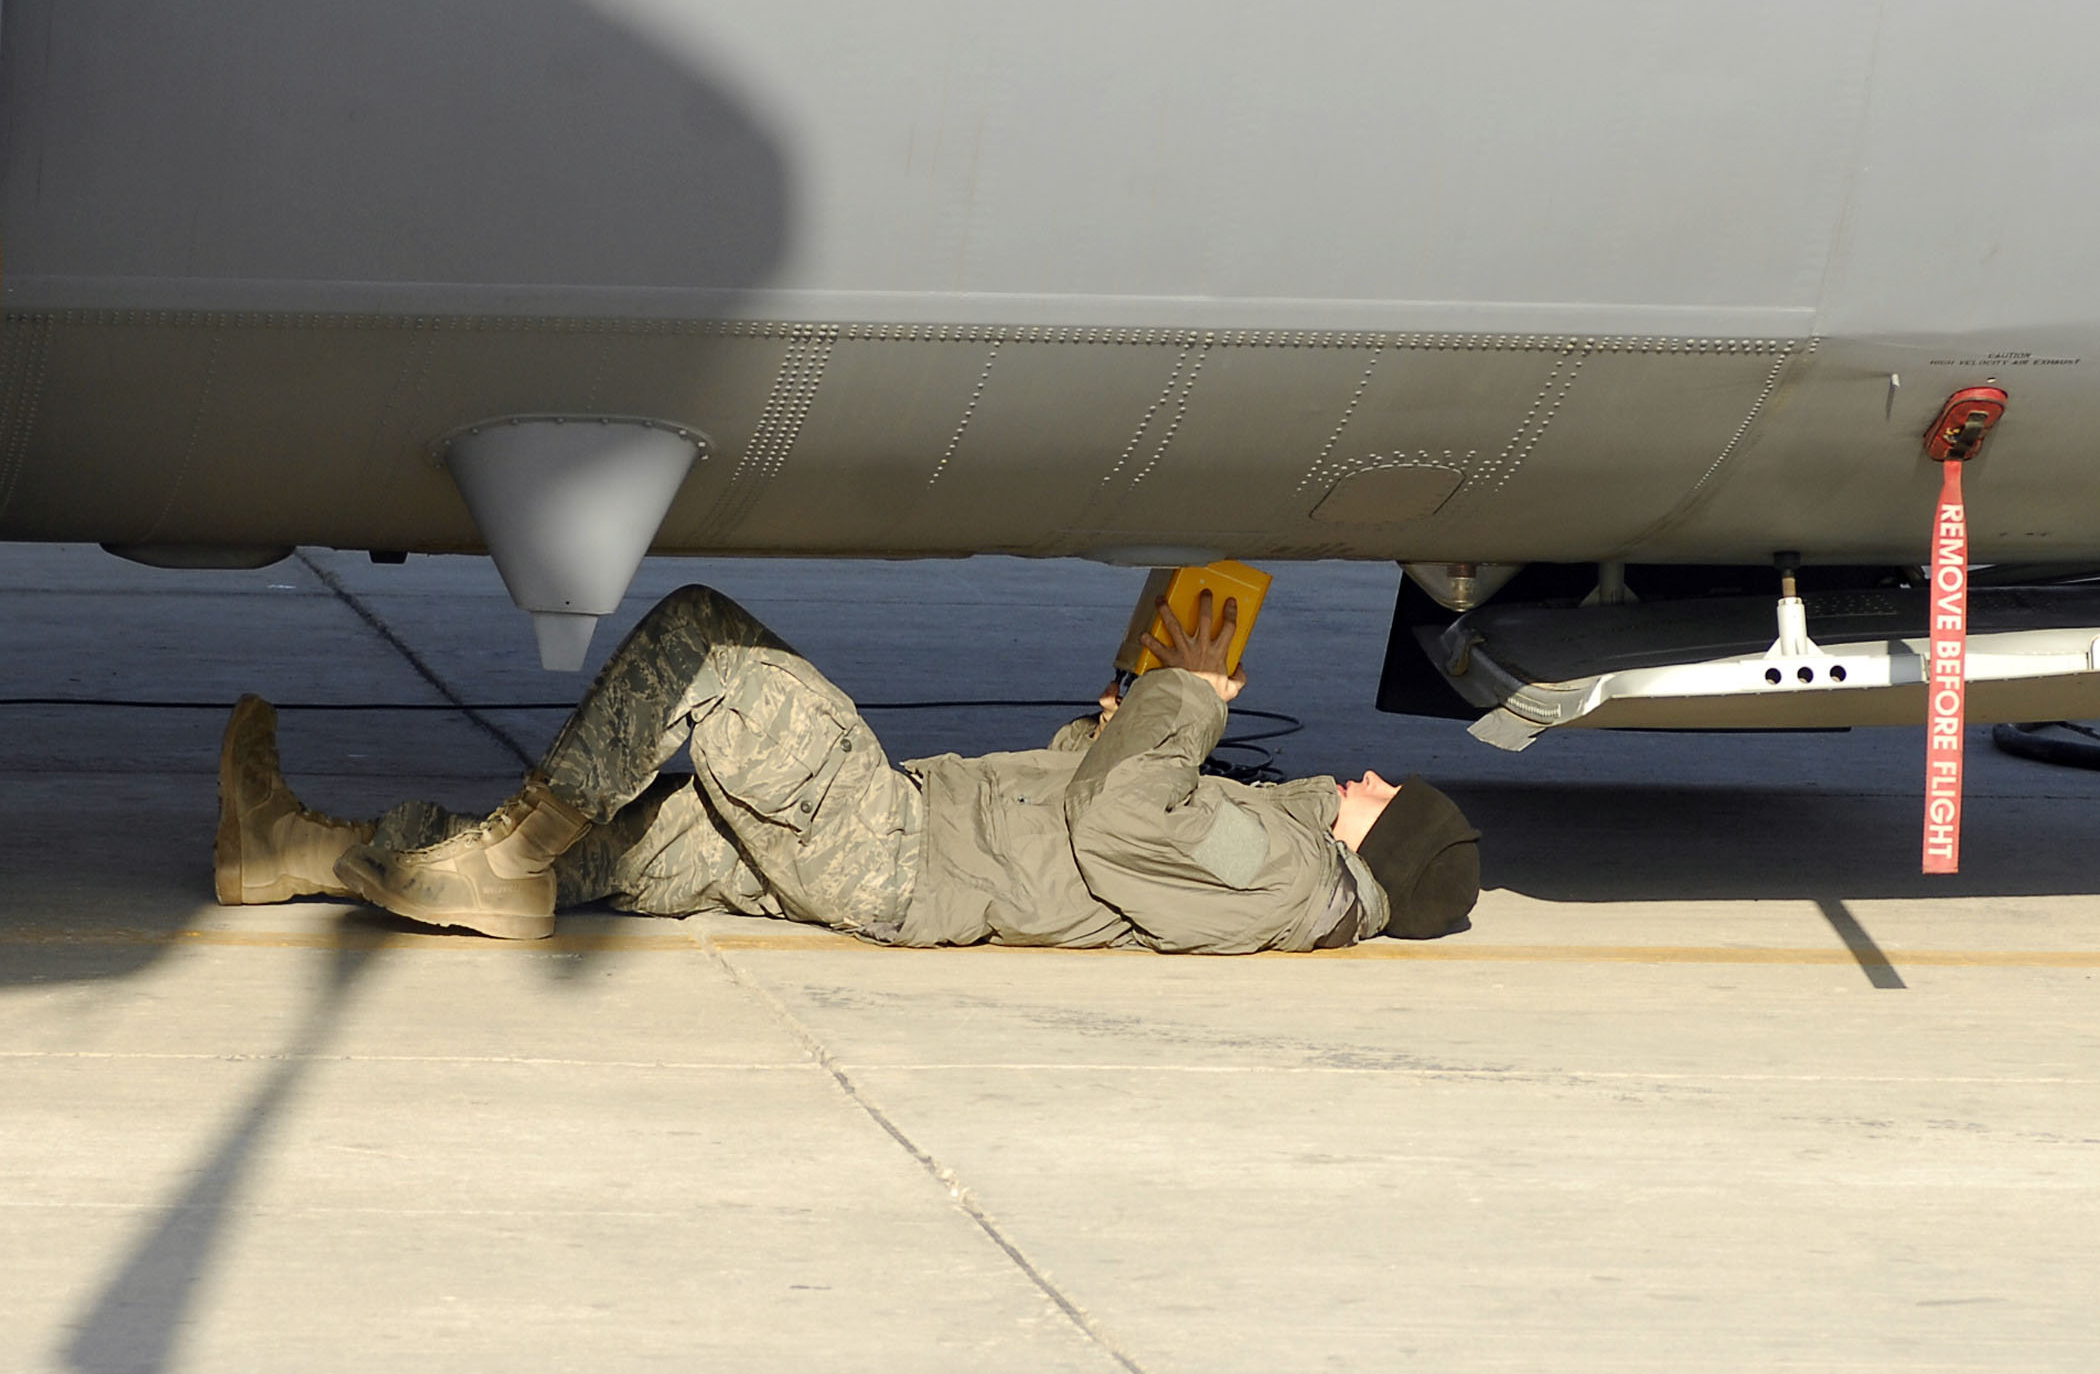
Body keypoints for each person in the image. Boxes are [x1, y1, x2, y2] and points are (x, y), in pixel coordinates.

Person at [214, 585, 1481, 952]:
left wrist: (1186, 701)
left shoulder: (1288, 871)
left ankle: (504, 862)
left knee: (707, 645)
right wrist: (1118, 721)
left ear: (1390, 845)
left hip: (893, 846)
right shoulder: (1281, 864)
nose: (1369, 778)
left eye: (1390, 797)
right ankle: (287, 850)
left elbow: (1117, 833)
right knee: (594, 856)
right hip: (900, 858)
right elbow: (1089, 824)